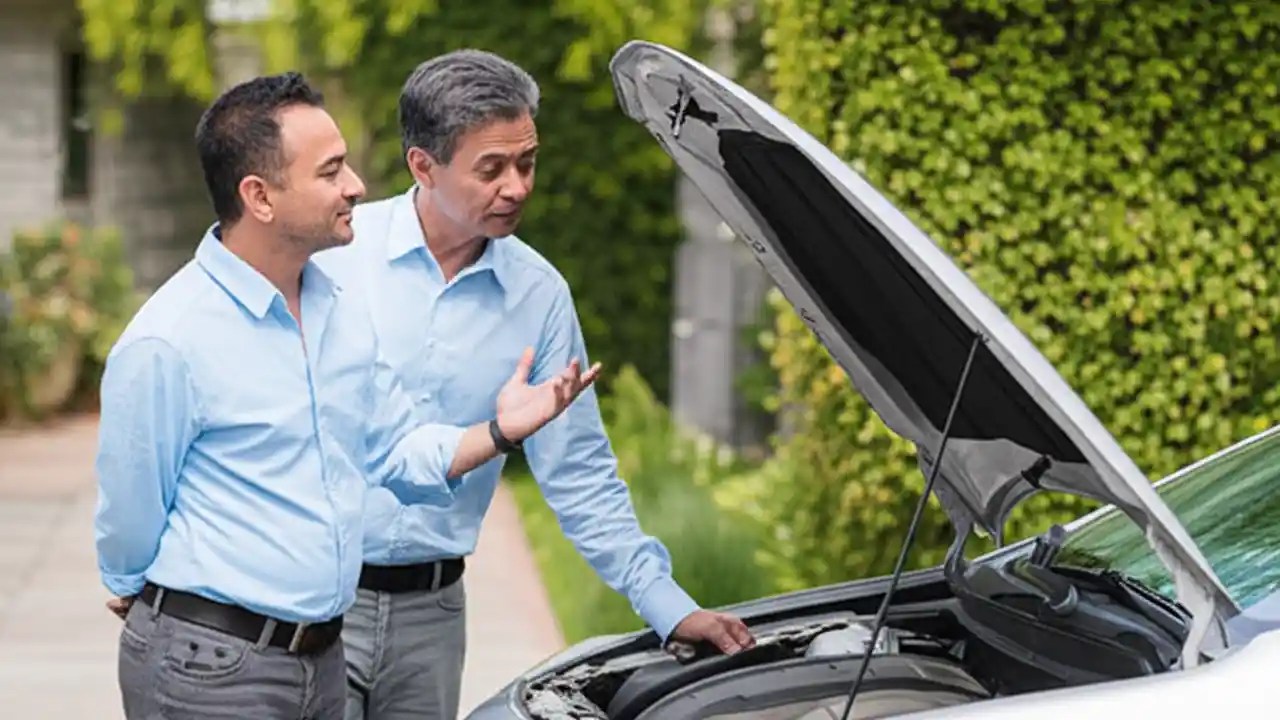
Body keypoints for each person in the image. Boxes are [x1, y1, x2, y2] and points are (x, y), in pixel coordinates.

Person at [93, 71, 599, 720]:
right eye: (331, 171)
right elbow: (130, 513)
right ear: (260, 197)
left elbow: (393, 450)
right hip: (213, 671)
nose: (357, 185)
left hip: (319, 663)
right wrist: (144, 598)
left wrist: (500, 432)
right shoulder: (170, 339)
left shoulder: (335, 308)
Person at [311, 49, 756, 720]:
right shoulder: (334, 259)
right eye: (491, 169)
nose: (517, 186)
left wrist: (668, 605)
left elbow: (578, 471)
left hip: (431, 620)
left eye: (527, 162)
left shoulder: (540, 296)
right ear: (422, 167)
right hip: (313, 601)